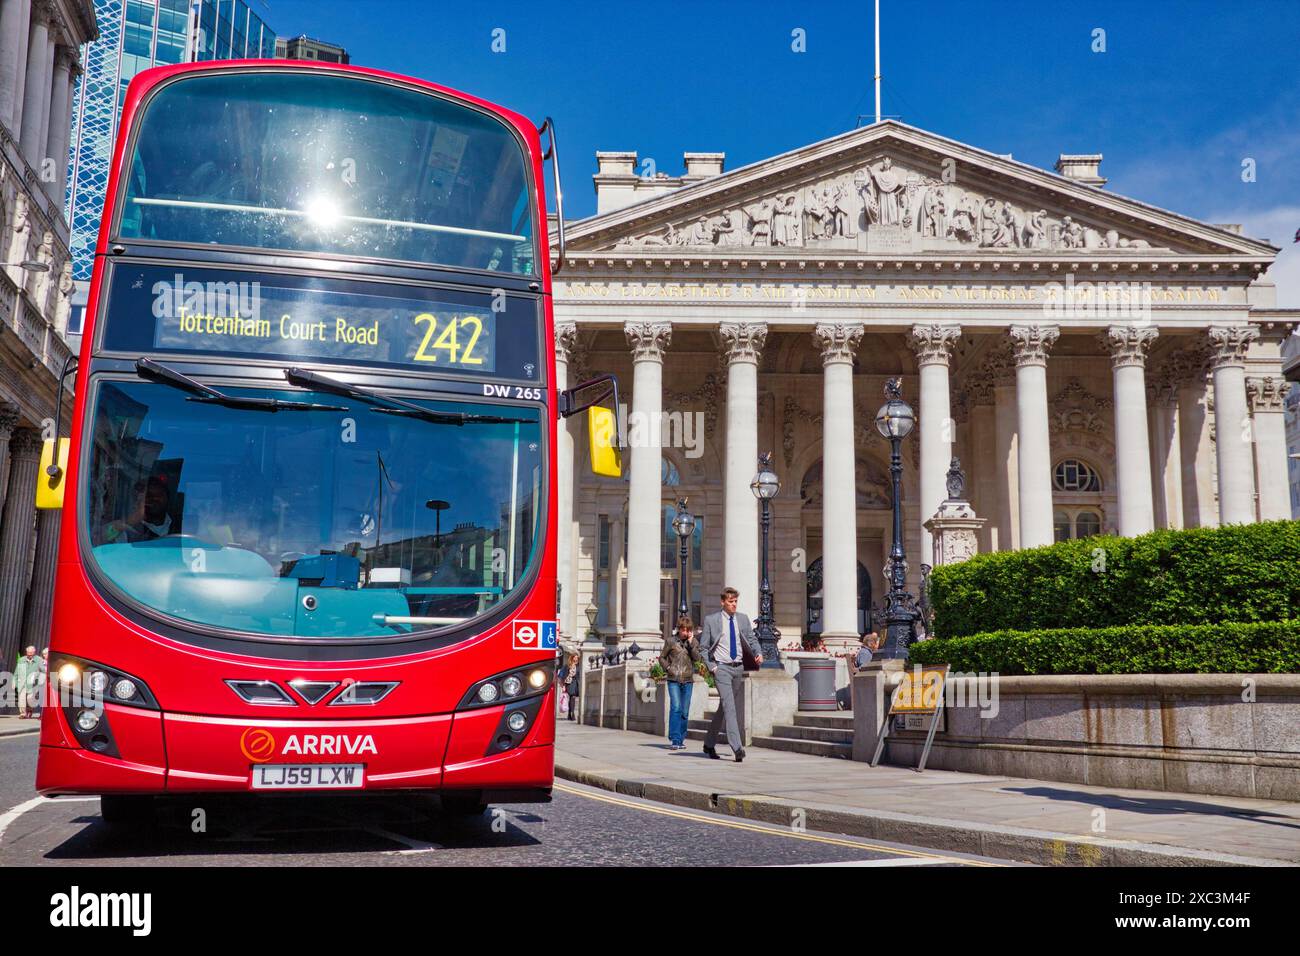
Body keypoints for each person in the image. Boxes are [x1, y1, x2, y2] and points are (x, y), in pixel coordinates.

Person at [700, 587, 763, 762]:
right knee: (730, 708)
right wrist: (712, 666)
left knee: (724, 707)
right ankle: (737, 747)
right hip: (721, 669)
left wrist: (758, 652)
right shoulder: (711, 620)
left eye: (735, 601)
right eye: (730, 601)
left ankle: (709, 743)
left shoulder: (742, 619)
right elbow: (703, 648)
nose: (734, 604)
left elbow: (751, 639)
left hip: (738, 668)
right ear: (723, 602)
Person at [660, 614, 705, 750]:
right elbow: (662, 657)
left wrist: (691, 644)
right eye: (683, 629)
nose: (685, 632)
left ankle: (681, 739)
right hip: (673, 679)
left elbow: (697, 659)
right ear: (679, 629)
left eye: (688, 630)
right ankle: (674, 739)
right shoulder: (670, 641)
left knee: (685, 711)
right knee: (676, 707)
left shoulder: (694, 643)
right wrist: (668, 668)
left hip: (687, 680)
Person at [14, 647, 42, 719]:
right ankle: (23, 714)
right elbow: (17, 671)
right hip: (22, 683)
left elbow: (43, 671)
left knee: (30, 699)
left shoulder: (39, 660)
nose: (29, 655)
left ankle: (30, 710)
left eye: (31, 654)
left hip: (33, 684)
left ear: (34, 653)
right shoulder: (21, 660)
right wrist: (14, 681)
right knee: (22, 699)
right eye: (28, 654)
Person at [560, 652, 581, 722]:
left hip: (576, 683)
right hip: (568, 683)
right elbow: (561, 675)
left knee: (573, 697)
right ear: (572, 658)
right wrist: (562, 685)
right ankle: (571, 713)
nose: (576, 659)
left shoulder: (579, 666)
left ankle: (570, 713)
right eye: (575, 657)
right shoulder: (567, 665)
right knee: (571, 697)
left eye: (577, 657)